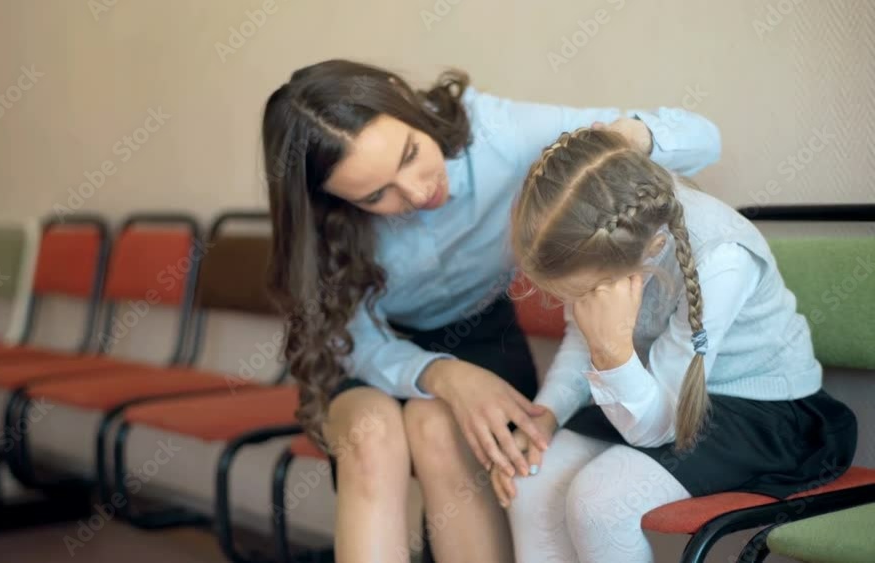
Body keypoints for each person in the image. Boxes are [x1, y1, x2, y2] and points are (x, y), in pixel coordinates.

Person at [262, 58, 721, 563]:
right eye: (375, 195)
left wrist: (627, 137)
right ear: (330, 200)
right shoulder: (324, 226)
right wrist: (442, 375)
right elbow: (354, 341)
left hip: (483, 338)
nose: (416, 192)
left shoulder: (497, 132)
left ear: (402, 97)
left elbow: (704, 140)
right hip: (370, 355)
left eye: (411, 154)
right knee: (371, 437)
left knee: (437, 429)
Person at [496, 127, 858, 562]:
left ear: (654, 249)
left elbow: (660, 423)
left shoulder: (720, 257)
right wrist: (547, 415)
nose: (575, 305)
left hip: (764, 413)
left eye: (587, 291)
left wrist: (613, 354)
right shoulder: (602, 230)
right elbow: (583, 335)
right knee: (530, 478)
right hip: (652, 387)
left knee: (602, 503)